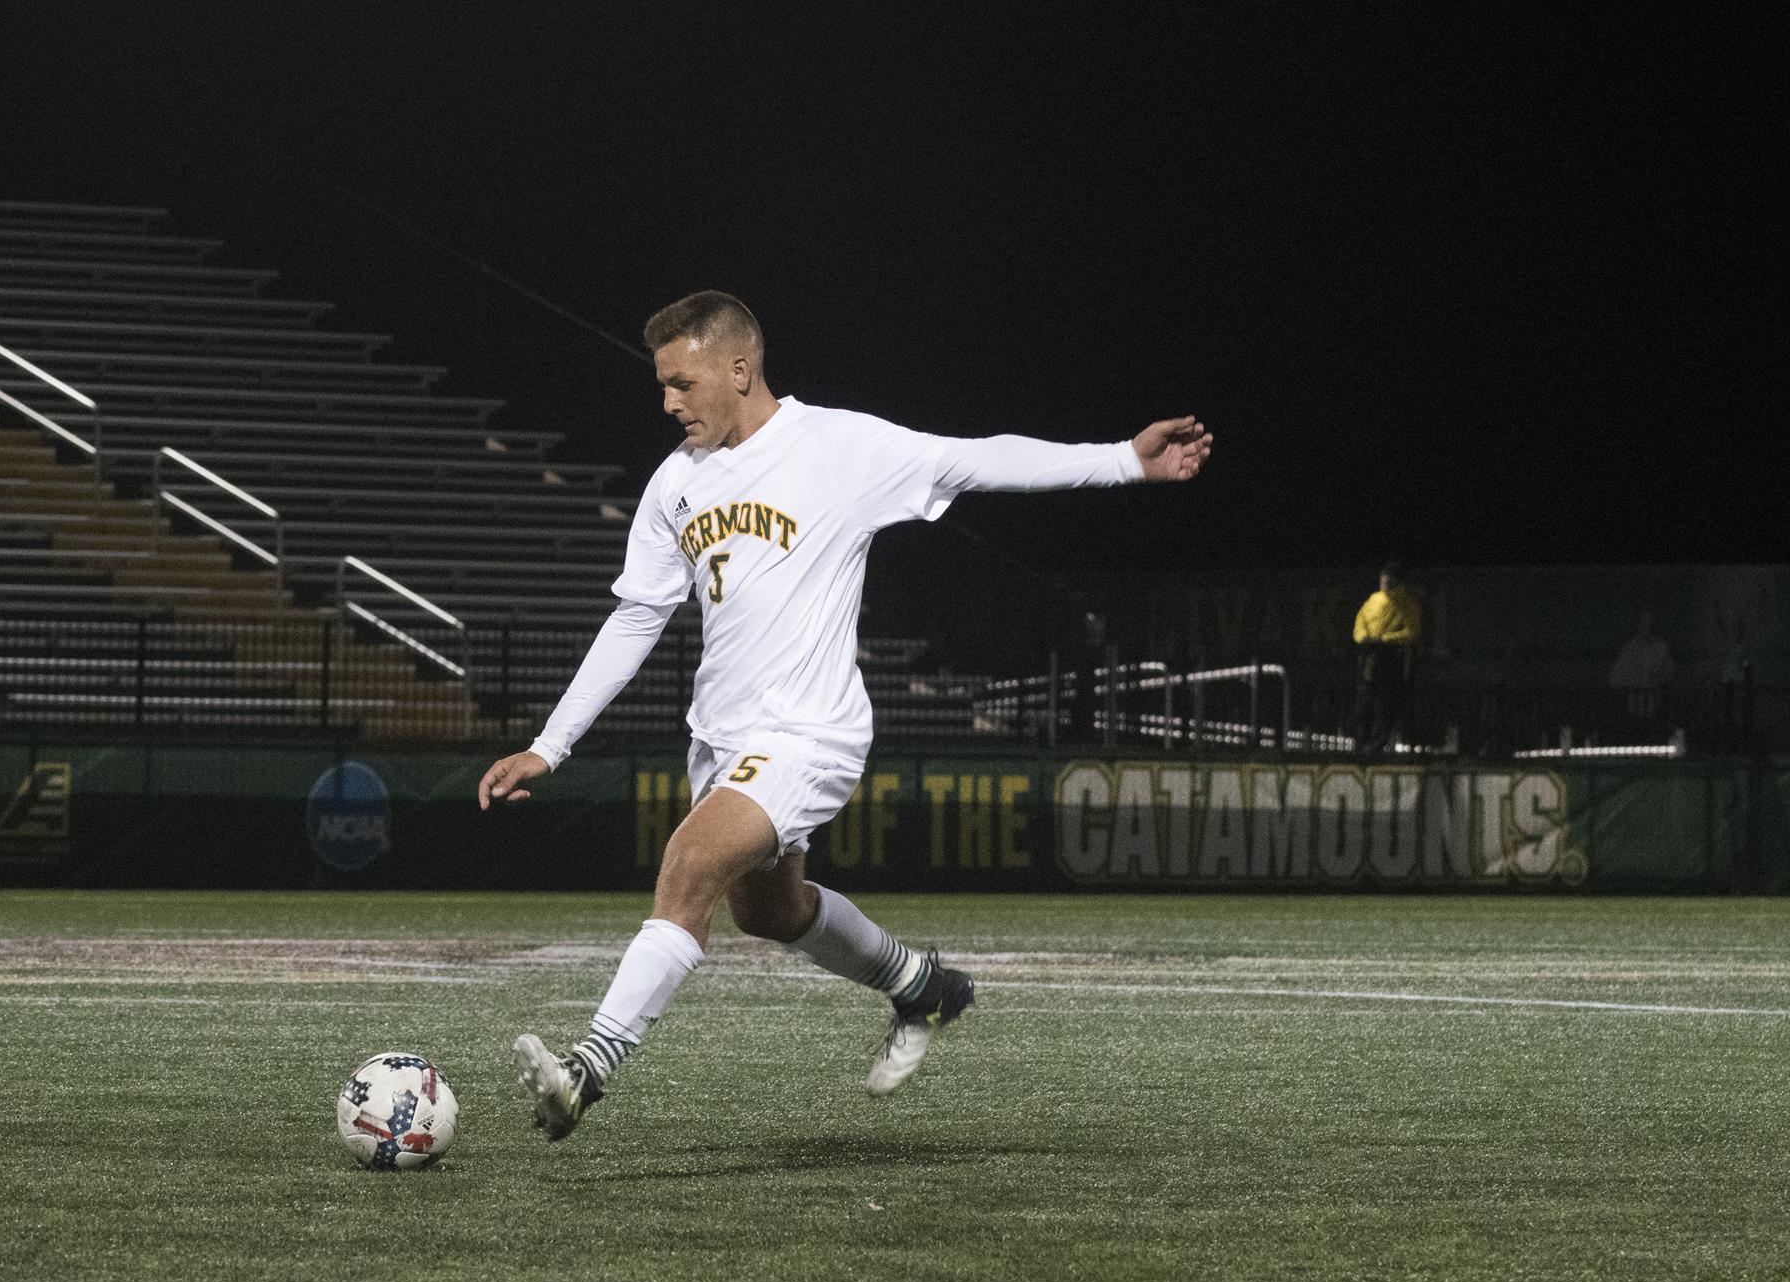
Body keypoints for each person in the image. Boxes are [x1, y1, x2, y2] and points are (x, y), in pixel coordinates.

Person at [478, 291, 1211, 1141]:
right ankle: (925, 987)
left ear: (739, 368)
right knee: (769, 913)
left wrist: (1124, 459)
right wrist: (549, 744)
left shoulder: (839, 446)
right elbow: (637, 616)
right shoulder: (673, 483)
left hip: (808, 733)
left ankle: (586, 1070)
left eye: (682, 382)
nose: (668, 403)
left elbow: (976, 459)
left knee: (687, 865)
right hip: (721, 739)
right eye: (664, 386)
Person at [1351, 562, 1421, 753]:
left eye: (1389, 579)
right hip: (1369, 658)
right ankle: (1361, 742)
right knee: (1364, 701)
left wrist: (1385, 640)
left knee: (1385, 702)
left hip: (1391, 658)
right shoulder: (1374, 599)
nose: (1385, 582)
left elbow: (1412, 631)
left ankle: (1375, 744)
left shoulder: (1407, 603)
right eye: (1383, 578)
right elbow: (1360, 621)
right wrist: (1363, 638)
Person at [1608, 610, 1676, 733]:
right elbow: (1616, 678)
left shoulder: (1661, 647)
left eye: (1649, 621)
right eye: (1643, 621)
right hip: (1633, 706)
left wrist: (1659, 680)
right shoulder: (1630, 648)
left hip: (1657, 705)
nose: (1646, 625)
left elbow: (1669, 672)